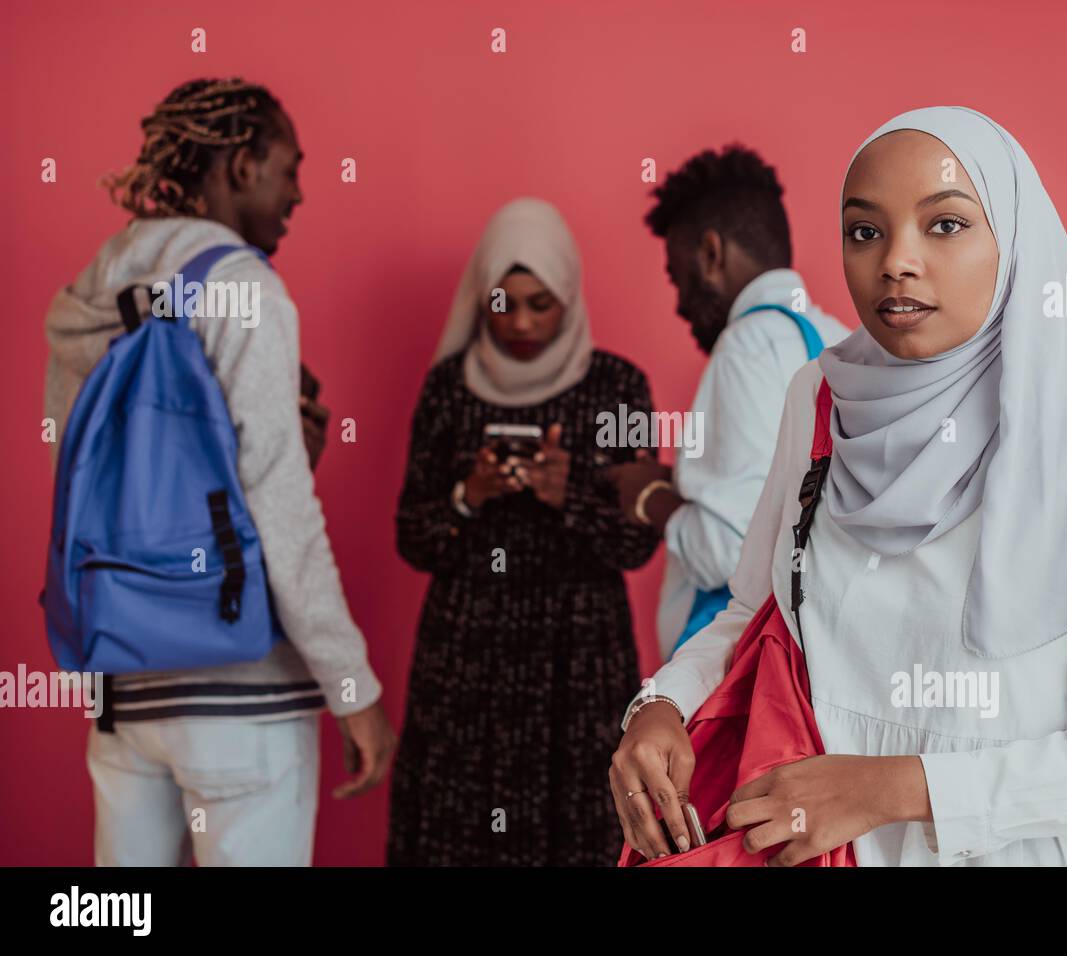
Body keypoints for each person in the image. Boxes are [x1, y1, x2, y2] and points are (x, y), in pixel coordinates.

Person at [610, 106, 1067, 867]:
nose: (896, 261)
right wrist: (661, 704)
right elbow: (756, 607)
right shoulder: (820, 397)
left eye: (946, 226)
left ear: (1013, 241)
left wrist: (895, 788)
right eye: (865, 231)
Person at [43, 78, 396, 866]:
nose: (300, 192)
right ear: (242, 164)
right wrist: (353, 688)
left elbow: (100, 478)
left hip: (124, 693)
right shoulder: (243, 289)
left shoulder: (94, 290)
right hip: (241, 697)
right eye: (289, 167)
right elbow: (278, 504)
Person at [387, 197, 659, 866]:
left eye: (544, 302)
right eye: (506, 304)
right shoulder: (450, 389)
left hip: (579, 660)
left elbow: (640, 540)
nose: (526, 323)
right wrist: (467, 494)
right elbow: (412, 539)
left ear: (569, 292)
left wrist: (571, 495)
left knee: (582, 833)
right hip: (466, 663)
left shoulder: (618, 387)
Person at [606, 146, 848, 663]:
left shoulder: (744, 347)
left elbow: (731, 551)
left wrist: (651, 498)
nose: (678, 302)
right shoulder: (842, 341)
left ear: (711, 254)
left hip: (735, 670)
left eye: (678, 277)